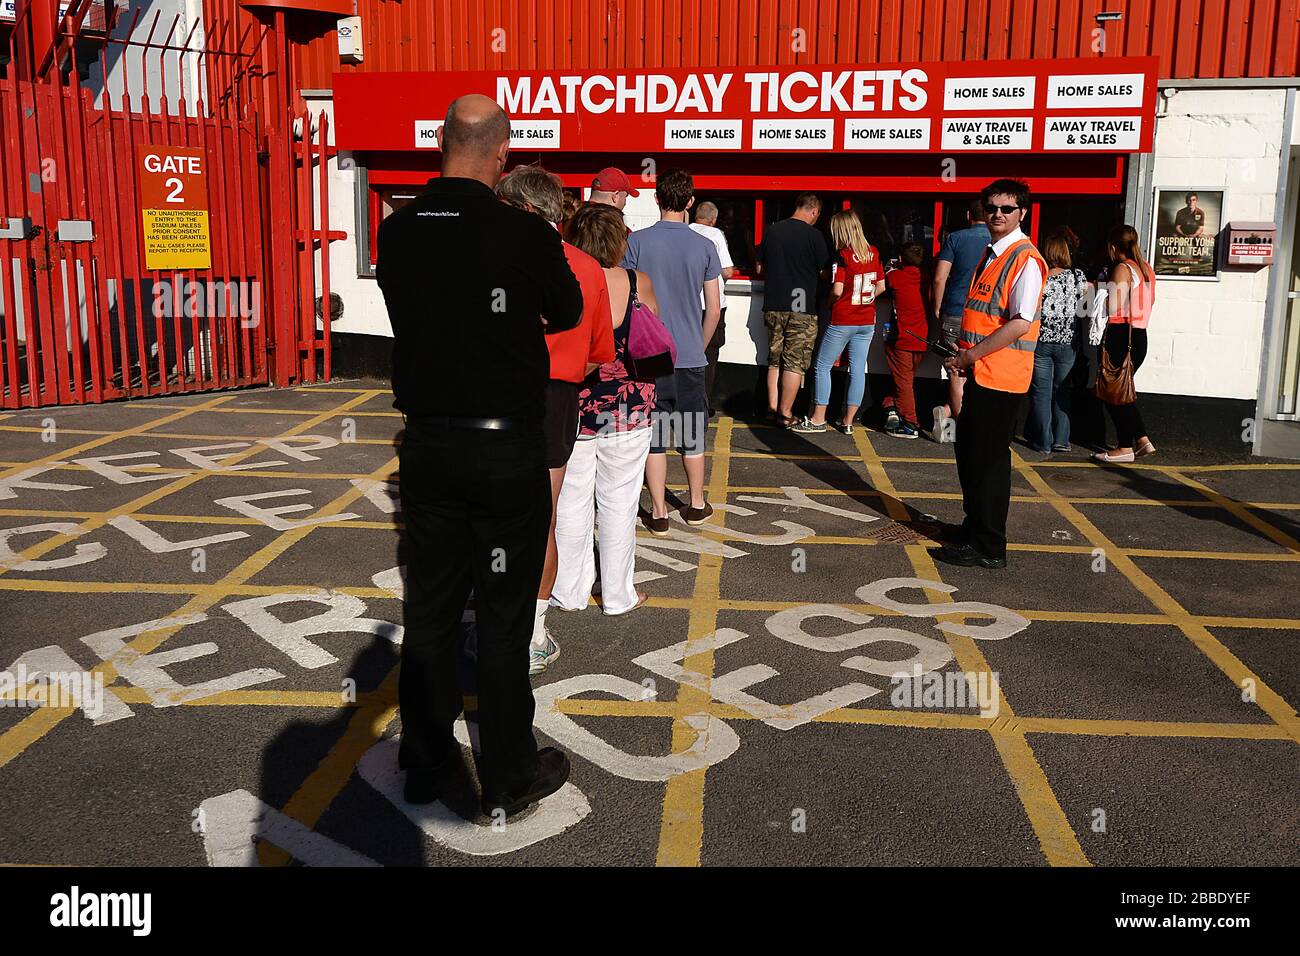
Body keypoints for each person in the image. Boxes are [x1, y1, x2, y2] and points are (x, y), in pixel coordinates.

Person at [376, 95, 582, 815]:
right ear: (502, 156)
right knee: (502, 618)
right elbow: (570, 312)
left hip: (430, 445)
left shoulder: (396, 232)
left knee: (430, 608)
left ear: (440, 143)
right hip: (504, 450)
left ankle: (428, 759)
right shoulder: (523, 234)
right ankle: (507, 774)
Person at [495, 165, 615, 676]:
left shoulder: (491, 258)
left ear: (520, 208)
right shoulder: (588, 268)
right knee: (539, 518)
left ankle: (498, 626)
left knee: (490, 517)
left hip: (494, 394)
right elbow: (598, 354)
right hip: (558, 397)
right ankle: (533, 634)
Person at [551, 203, 659, 616]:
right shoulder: (637, 282)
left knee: (571, 503)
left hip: (574, 403)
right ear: (619, 240)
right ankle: (617, 595)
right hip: (629, 408)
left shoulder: (567, 279)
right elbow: (651, 334)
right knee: (619, 502)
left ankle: (569, 591)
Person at [934, 178, 1045, 570]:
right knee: (972, 455)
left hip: (1002, 376)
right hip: (980, 371)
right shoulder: (991, 253)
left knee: (990, 462)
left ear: (1022, 213)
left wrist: (969, 357)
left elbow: (1020, 322)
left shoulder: (1024, 259)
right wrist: (964, 356)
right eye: (991, 207)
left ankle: (989, 545)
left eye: (1007, 209)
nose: (997, 214)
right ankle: (974, 527)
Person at [623, 168, 722, 535]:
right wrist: (699, 342)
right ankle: (696, 504)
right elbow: (713, 308)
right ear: (690, 201)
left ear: (656, 198)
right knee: (693, 432)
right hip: (690, 356)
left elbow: (627, 298)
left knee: (655, 435)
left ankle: (660, 511)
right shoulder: (705, 245)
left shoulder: (638, 242)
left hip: (649, 355)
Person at [792, 209, 883, 436]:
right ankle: (848, 421)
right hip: (867, 319)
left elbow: (837, 288)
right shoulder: (873, 252)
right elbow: (881, 286)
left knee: (822, 366)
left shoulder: (841, 256)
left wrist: (830, 303)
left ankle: (818, 418)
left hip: (843, 318)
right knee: (857, 370)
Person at [758, 193, 831, 426]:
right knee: (794, 362)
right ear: (814, 211)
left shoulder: (772, 231)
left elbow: (759, 266)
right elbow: (825, 274)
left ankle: (770, 409)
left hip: (774, 304)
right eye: (817, 215)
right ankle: (785, 413)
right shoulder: (815, 236)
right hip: (801, 307)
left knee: (774, 359)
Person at [1093, 224, 1157, 463]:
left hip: (1121, 334)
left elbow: (1113, 305)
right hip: (1139, 335)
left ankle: (1124, 447)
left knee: (1114, 392)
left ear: (1112, 247)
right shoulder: (1146, 269)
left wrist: (1097, 292)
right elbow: (1152, 302)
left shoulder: (1122, 268)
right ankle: (1141, 440)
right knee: (1122, 389)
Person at [931, 198, 990, 438]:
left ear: (968, 215)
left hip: (955, 309)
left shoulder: (954, 238)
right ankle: (955, 418)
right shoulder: (997, 241)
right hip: (987, 315)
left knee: (956, 368)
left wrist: (937, 307)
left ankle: (952, 417)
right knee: (979, 368)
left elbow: (939, 278)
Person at [1026, 228, 1088, 454]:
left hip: (1041, 341)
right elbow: (1088, 304)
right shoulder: (1076, 277)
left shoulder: (1039, 277)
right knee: (1062, 392)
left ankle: (1042, 442)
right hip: (1067, 343)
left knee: (1041, 393)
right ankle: (1061, 440)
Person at [881, 241, 933, 439]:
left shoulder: (896, 276)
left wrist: (891, 266)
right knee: (905, 378)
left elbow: (883, 279)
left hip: (902, 337)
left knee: (904, 382)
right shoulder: (925, 276)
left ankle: (910, 423)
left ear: (901, 259)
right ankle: (890, 406)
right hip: (921, 337)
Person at [689, 201, 735, 413]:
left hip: (688, 302)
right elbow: (727, 271)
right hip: (711, 302)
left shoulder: (685, 231)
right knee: (709, 355)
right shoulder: (715, 234)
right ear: (713, 219)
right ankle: (702, 403)